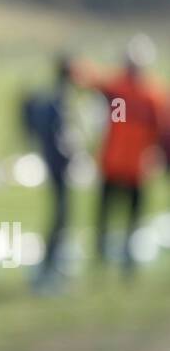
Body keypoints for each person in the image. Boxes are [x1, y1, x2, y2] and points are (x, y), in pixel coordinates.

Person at [71, 36, 168, 281]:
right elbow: (92, 82)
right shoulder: (122, 89)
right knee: (107, 218)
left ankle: (126, 263)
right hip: (115, 164)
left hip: (132, 167)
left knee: (129, 220)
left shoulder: (151, 96)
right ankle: (104, 261)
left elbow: (161, 132)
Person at [20, 54, 76, 293]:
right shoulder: (58, 100)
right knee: (60, 217)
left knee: (61, 217)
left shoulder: (52, 98)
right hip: (58, 167)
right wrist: (71, 154)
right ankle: (49, 267)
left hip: (53, 165)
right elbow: (59, 136)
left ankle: (53, 264)